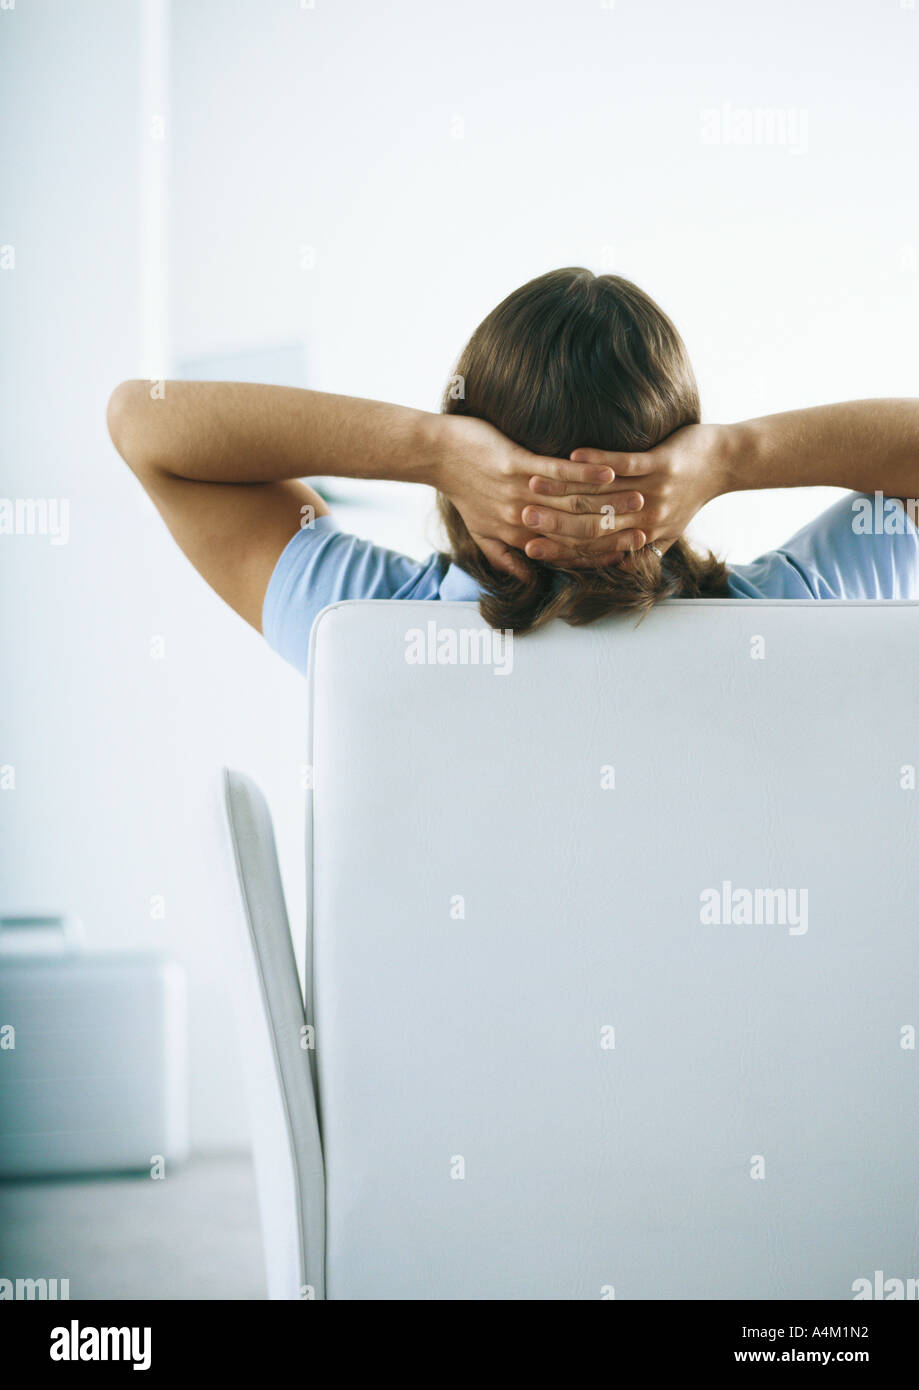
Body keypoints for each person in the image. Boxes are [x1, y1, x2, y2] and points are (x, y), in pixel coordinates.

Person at [107, 267, 919, 677]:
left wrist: (431, 447)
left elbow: (142, 422)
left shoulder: (360, 627)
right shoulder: (792, 621)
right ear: (675, 476)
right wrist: (731, 455)